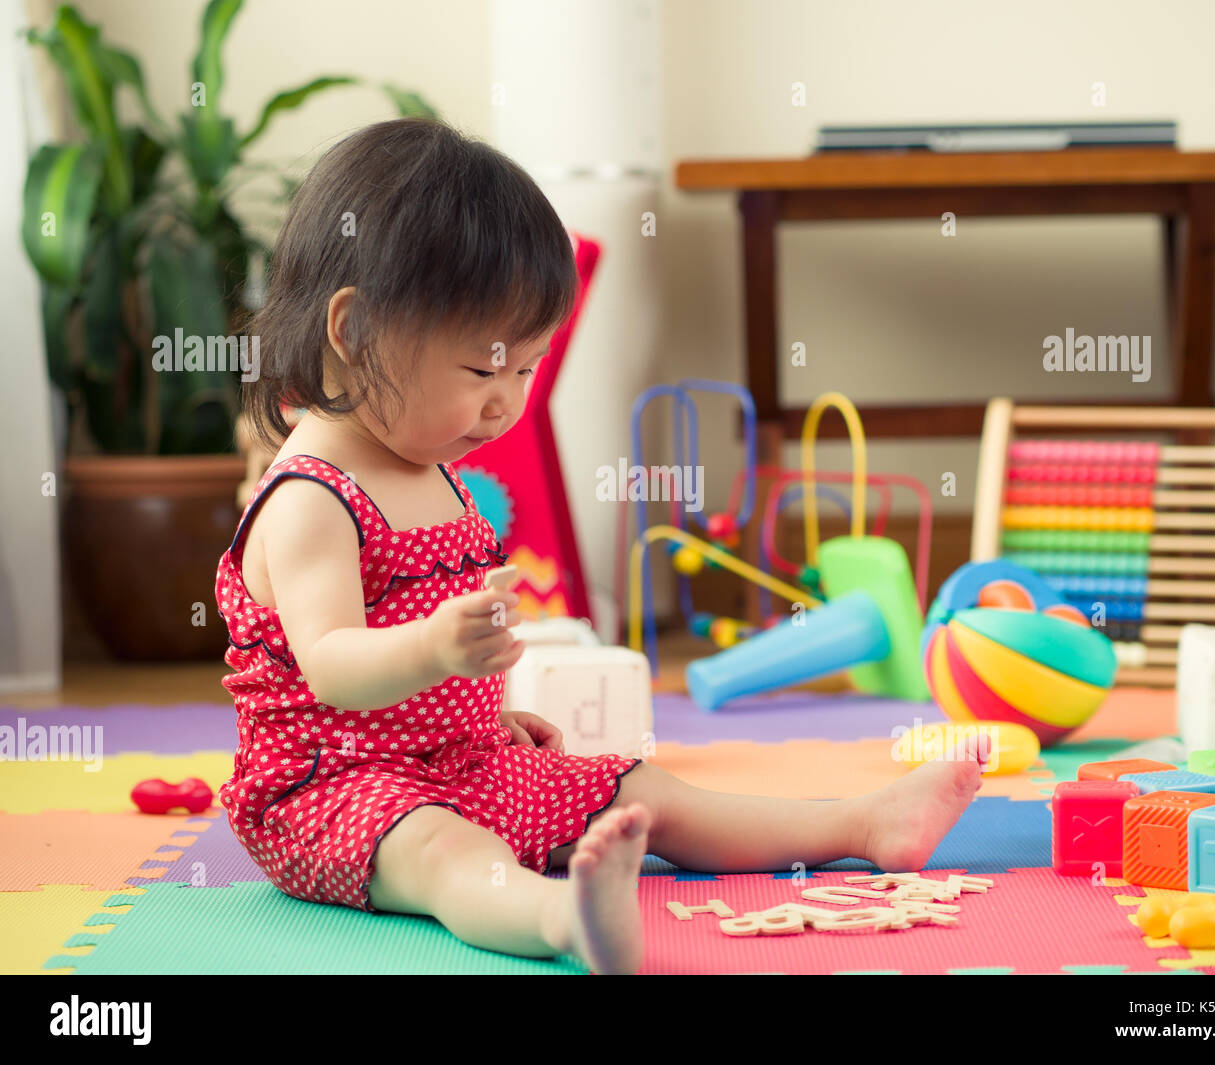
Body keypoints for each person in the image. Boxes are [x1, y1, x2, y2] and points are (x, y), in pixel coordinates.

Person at [216, 118, 982, 975]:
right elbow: (333, 664)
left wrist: (482, 712)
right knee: (445, 854)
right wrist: (437, 647)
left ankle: (864, 823)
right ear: (352, 333)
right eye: (481, 372)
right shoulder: (310, 499)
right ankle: (561, 915)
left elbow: (421, 675)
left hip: (463, 763)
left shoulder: (424, 457)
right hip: (333, 794)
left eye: (526, 370)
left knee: (641, 790)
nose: (504, 402)